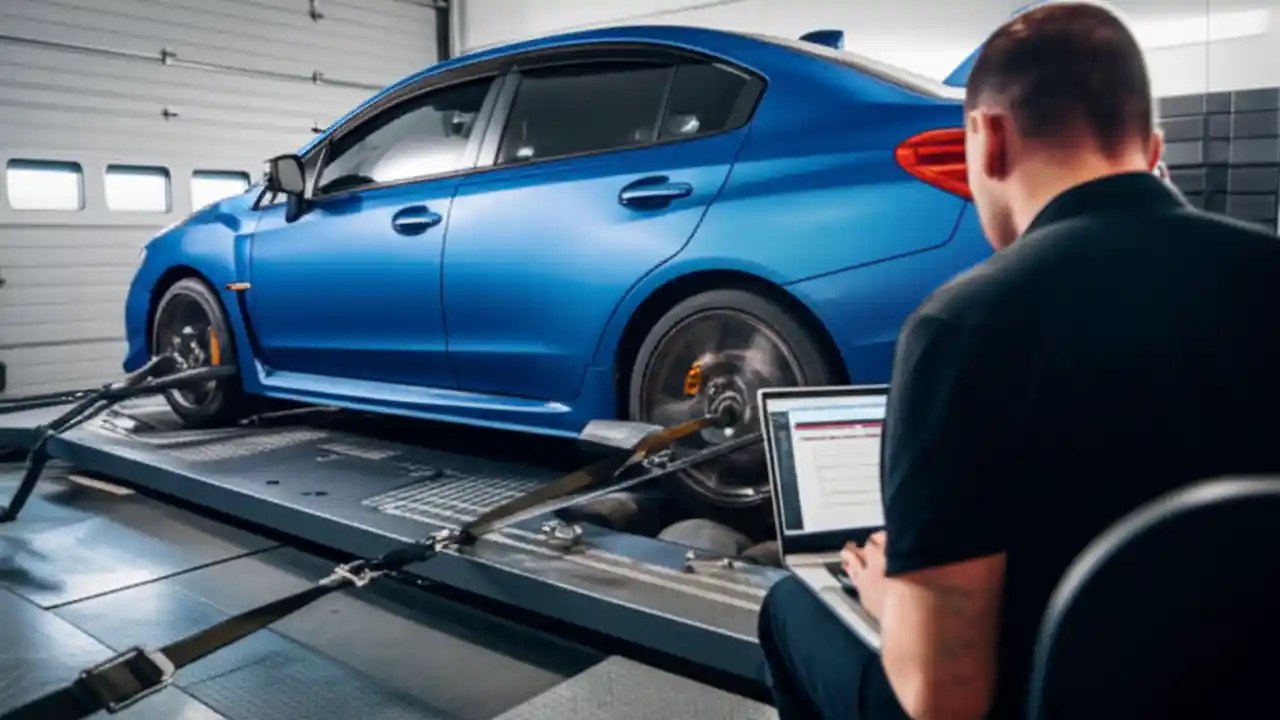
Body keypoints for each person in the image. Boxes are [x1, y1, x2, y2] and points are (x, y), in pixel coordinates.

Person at [757, 3, 1280, 719]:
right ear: (1154, 149)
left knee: (791, 606)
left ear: (987, 137)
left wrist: (889, 601)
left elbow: (945, 699)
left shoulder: (964, 327)